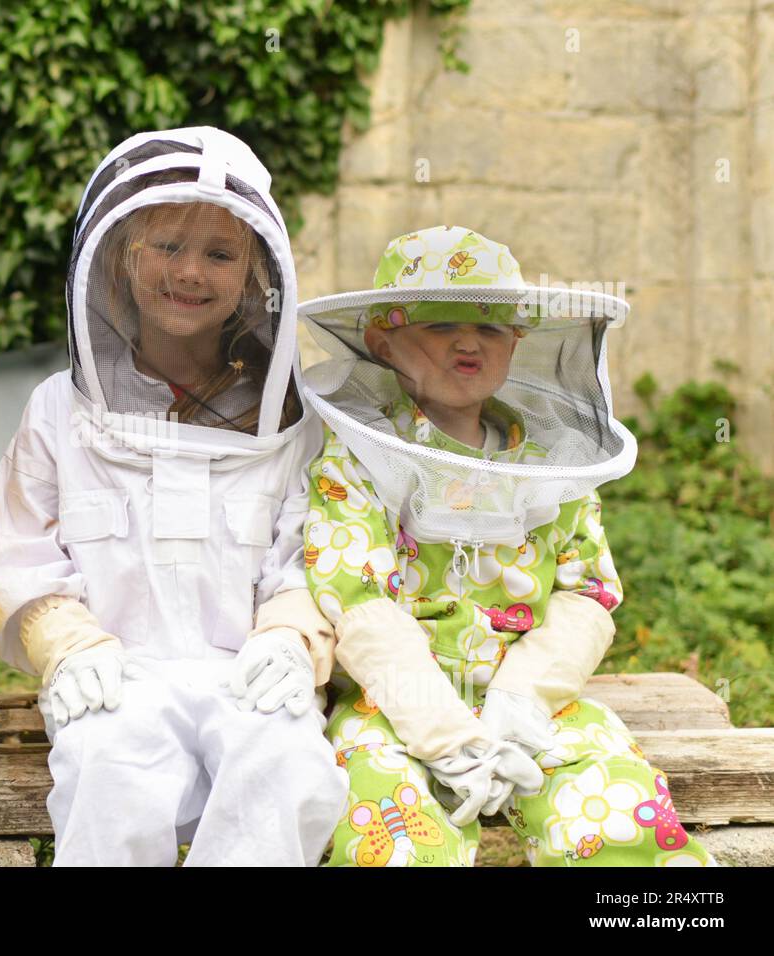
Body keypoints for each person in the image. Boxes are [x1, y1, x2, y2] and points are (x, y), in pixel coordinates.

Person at [0, 127, 347, 866]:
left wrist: (291, 636)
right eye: (168, 246)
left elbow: (313, 544)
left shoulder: (290, 423)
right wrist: (64, 642)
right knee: (109, 775)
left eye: (219, 253)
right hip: (113, 680)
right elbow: (14, 543)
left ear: (255, 275)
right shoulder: (59, 410)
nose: (190, 272)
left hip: (249, 680)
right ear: (120, 254)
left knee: (286, 770)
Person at [297, 225, 715, 866]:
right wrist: (446, 739)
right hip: (394, 707)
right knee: (398, 845)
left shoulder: (556, 463)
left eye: (492, 327)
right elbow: (356, 601)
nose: (470, 342)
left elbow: (587, 594)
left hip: (532, 701)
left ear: (517, 341)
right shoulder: (360, 453)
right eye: (441, 325)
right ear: (383, 340)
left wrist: (521, 703)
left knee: (618, 817)